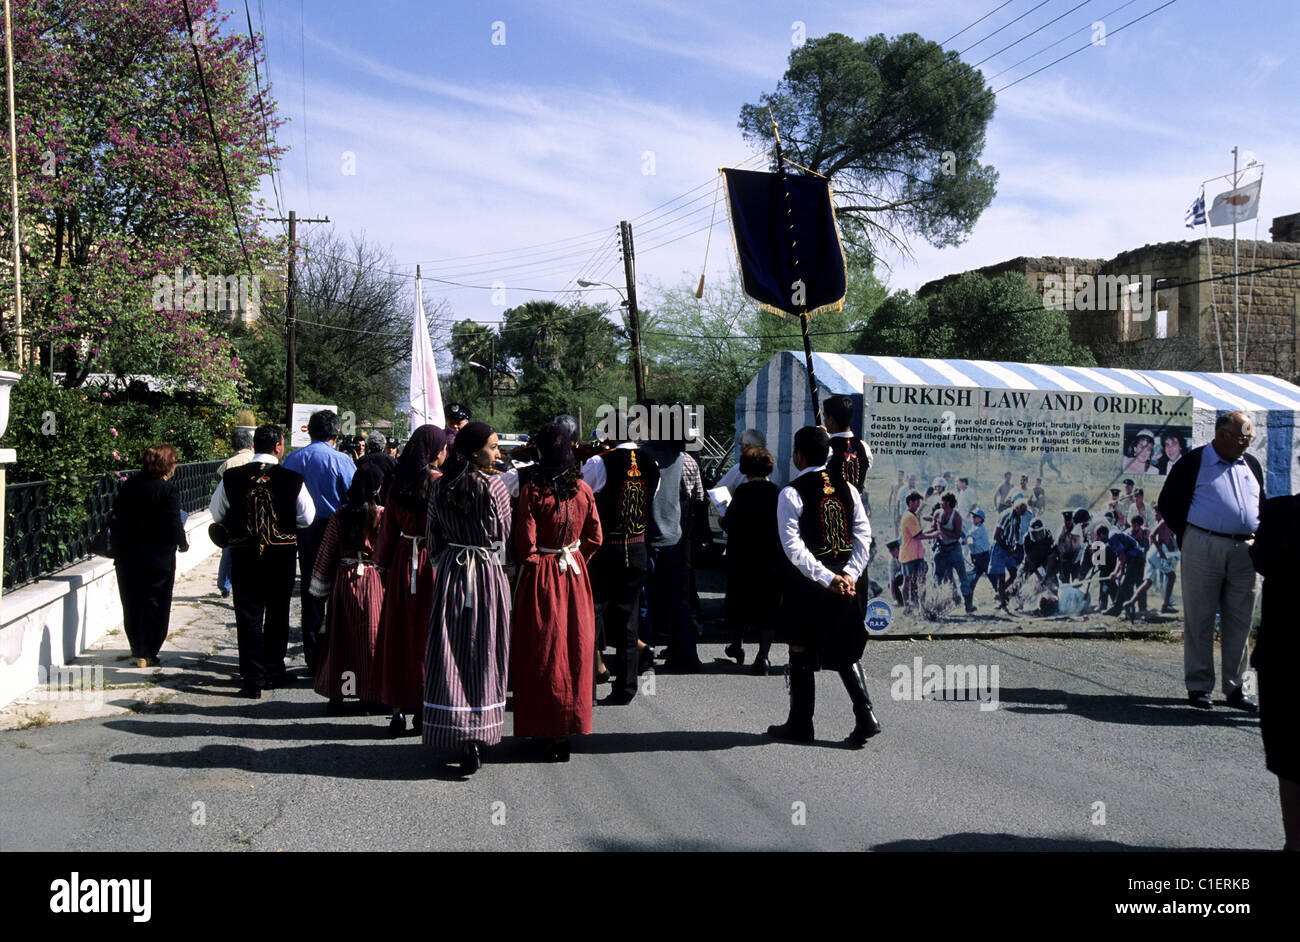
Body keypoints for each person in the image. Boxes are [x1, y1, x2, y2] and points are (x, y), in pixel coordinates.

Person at [767, 426, 880, 748]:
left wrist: (829, 578)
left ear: (799, 455)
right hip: (845, 581)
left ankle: (801, 724)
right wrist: (849, 575)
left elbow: (793, 547)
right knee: (845, 648)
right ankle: (865, 713)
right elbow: (863, 536)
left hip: (811, 584)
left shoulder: (791, 492)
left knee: (800, 646)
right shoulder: (848, 488)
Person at [1156, 412, 1263, 711]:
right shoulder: (1194, 462)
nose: (1247, 444)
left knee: (1242, 622)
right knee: (1200, 618)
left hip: (1245, 549)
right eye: (1243, 439)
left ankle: (1239, 689)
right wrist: (1191, 535)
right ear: (1222, 436)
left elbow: (1261, 503)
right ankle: (1199, 686)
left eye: (1249, 439)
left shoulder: (1251, 464)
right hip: (1204, 544)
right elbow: (1169, 503)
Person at [423, 422, 513, 774]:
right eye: (493, 447)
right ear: (475, 452)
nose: (498, 453)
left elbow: (433, 536)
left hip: (452, 573)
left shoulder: (440, 485)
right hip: (487, 574)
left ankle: (457, 731)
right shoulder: (495, 488)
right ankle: (480, 733)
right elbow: (504, 537)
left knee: (452, 651)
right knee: (484, 650)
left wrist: (444, 568)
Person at [511, 422, 603, 761]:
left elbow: (526, 545)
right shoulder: (582, 489)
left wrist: (539, 563)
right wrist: (577, 557)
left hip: (543, 575)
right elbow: (595, 538)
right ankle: (564, 729)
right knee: (573, 648)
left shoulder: (532, 491)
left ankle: (544, 729)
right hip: (575, 574)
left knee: (543, 650)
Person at [209, 425, 315, 697]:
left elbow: (216, 512)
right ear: (279, 446)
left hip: (245, 555)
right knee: (278, 613)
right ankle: (273, 670)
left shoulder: (232, 476)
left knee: (248, 615)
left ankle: (252, 678)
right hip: (281, 556)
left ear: (255, 445)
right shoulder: (292, 478)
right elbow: (307, 517)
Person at [372, 425, 448, 735]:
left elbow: (386, 531)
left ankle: (397, 707)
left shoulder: (396, 485)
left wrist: (382, 565)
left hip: (404, 559)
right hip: (431, 563)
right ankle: (425, 705)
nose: (446, 453)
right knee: (428, 636)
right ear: (433, 452)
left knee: (400, 634)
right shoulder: (441, 485)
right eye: (443, 448)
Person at [583, 417, 661, 705]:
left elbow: (582, 495)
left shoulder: (599, 462)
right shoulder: (652, 464)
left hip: (606, 550)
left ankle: (587, 685)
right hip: (638, 546)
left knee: (592, 615)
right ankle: (626, 687)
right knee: (629, 620)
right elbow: (649, 498)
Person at [282, 410, 355, 678]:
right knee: (340, 591)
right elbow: (353, 496)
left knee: (312, 593)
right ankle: (339, 656)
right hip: (337, 529)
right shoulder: (342, 461)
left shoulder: (292, 460)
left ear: (309, 431)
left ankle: (314, 660)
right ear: (336, 434)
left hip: (304, 531)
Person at [310, 464, 386, 714]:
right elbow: (387, 553)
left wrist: (320, 586)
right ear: (376, 488)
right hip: (372, 581)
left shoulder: (339, 515)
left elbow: (326, 553)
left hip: (344, 580)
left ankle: (340, 695)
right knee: (369, 640)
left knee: (341, 638)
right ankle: (367, 696)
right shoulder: (381, 515)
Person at [1248, 490, 1300, 851]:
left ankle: (1294, 843)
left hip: (1285, 652)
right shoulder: (1282, 511)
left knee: (1290, 756)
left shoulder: (1283, 511)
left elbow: (1262, 560)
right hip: (1283, 653)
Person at [110, 445, 190, 668]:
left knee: (132, 601)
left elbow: (116, 517)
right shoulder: (168, 490)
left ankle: (137, 647)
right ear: (166, 464)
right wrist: (183, 544)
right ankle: (149, 651)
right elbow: (174, 522)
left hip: (128, 556)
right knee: (157, 603)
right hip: (159, 557)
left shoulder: (129, 486)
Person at [720, 446, 783, 674]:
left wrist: (722, 519)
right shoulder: (777, 492)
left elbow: (729, 523)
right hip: (769, 558)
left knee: (739, 602)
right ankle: (763, 657)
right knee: (768, 608)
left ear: (745, 469)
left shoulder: (742, 493)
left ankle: (736, 646)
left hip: (742, 557)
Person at [214, 429, 254, 599]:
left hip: (233, 512)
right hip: (254, 509)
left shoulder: (227, 465)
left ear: (233, 445)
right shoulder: (255, 459)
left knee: (228, 550)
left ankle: (225, 585)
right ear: (251, 444)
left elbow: (220, 487)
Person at [919, 492, 974, 613]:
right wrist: (923, 534)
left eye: (942, 500)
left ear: (948, 502)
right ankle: (935, 604)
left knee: (962, 576)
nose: (940, 502)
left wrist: (942, 529)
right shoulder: (938, 513)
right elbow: (933, 528)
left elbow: (957, 535)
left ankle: (968, 604)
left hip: (954, 548)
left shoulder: (956, 516)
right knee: (937, 577)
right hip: (941, 549)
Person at [823, 393, 872, 501]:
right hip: (856, 511)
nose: (824, 421)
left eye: (825, 417)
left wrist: (822, 441)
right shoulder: (864, 447)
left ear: (831, 420)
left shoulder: (827, 449)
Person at [990, 500, 1032, 611]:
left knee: (1013, 573)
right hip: (1000, 547)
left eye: (1024, 511)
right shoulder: (1006, 516)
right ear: (1016, 508)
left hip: (1008, 547)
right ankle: (1002, 603)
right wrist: (1006, 548)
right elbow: (996, 535)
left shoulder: (1018, 517)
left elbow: (1017, 531)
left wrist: (1017, 545)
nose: (1023, 513)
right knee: (1001, 576)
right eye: (1022, 511)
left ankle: (1000, 594)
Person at [898, 490, 925, 609]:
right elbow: (918, 535)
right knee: (908, 581)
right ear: (910, 502)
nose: (918, 504)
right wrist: (934, 535)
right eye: (916, 502)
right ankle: (907, 606)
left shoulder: (912, 515)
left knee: (920, 579)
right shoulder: (909, 517)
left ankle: (920, 606)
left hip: (916, 553)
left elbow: (920, 533)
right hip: (909, 554)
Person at [356, 430, 398, 504]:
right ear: (383, 446)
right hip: (386, 503)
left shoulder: (362, 461)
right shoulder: (391, 461)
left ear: (368, 445)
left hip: (366, 503)